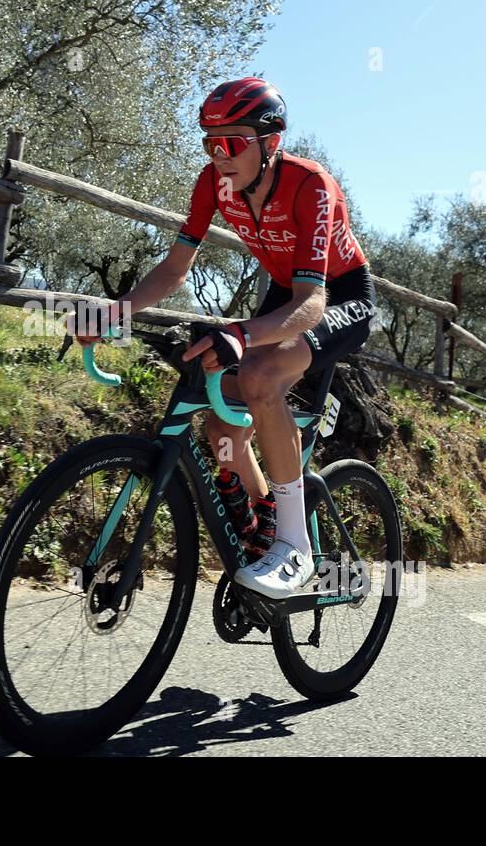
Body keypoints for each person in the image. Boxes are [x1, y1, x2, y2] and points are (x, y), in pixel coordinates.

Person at [69, 77, 377, 599]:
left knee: (259, 375)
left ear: (270, 142)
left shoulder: (310, 184)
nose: (220, 156)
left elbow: (310, 303)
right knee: (221, 426)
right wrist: (115, 311)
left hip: (337, 297)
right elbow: (173, 271)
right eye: (210, 143)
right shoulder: (213, 183)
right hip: (285, 295)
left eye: (232, 143)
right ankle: (267, 527)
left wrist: (241, 336)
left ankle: (295, 547)